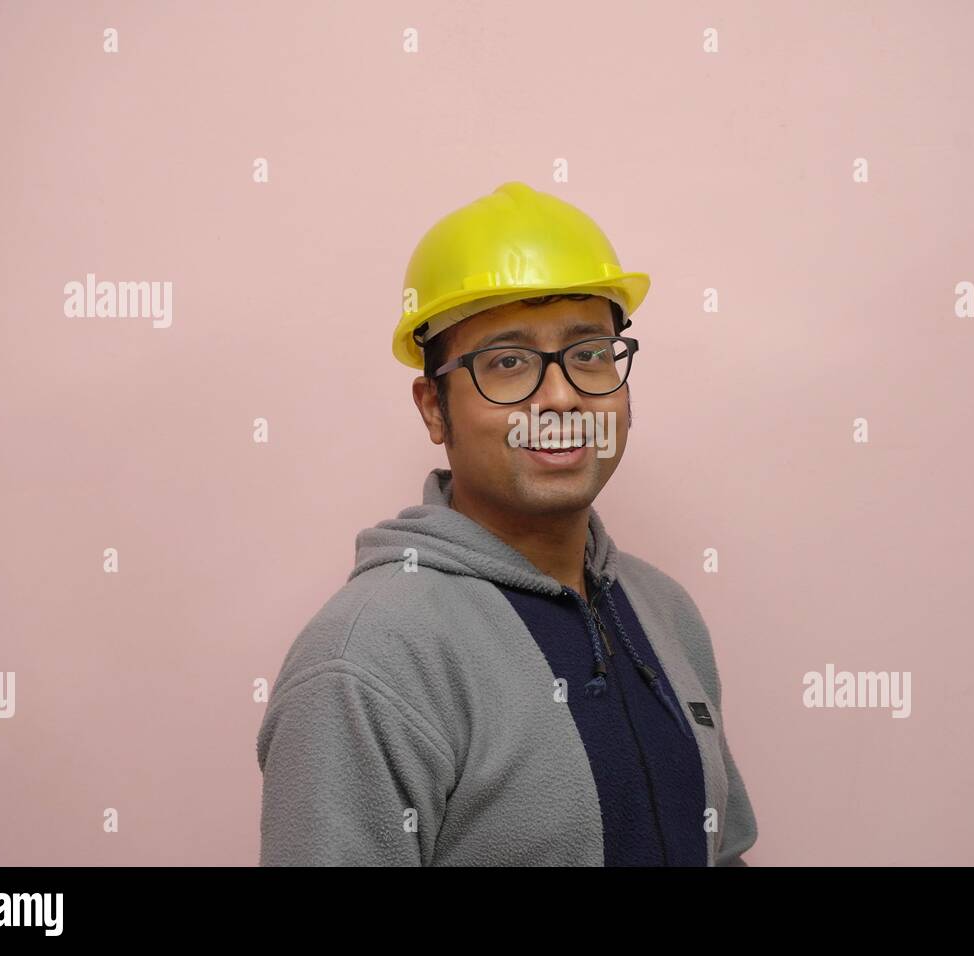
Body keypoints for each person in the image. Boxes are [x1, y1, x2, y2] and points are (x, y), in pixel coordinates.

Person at [256, 181, 758, 865]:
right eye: (508, 363)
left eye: (590, 354)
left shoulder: (664, 610)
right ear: (434, 407)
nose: (560, 396)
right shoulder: (367, 660)